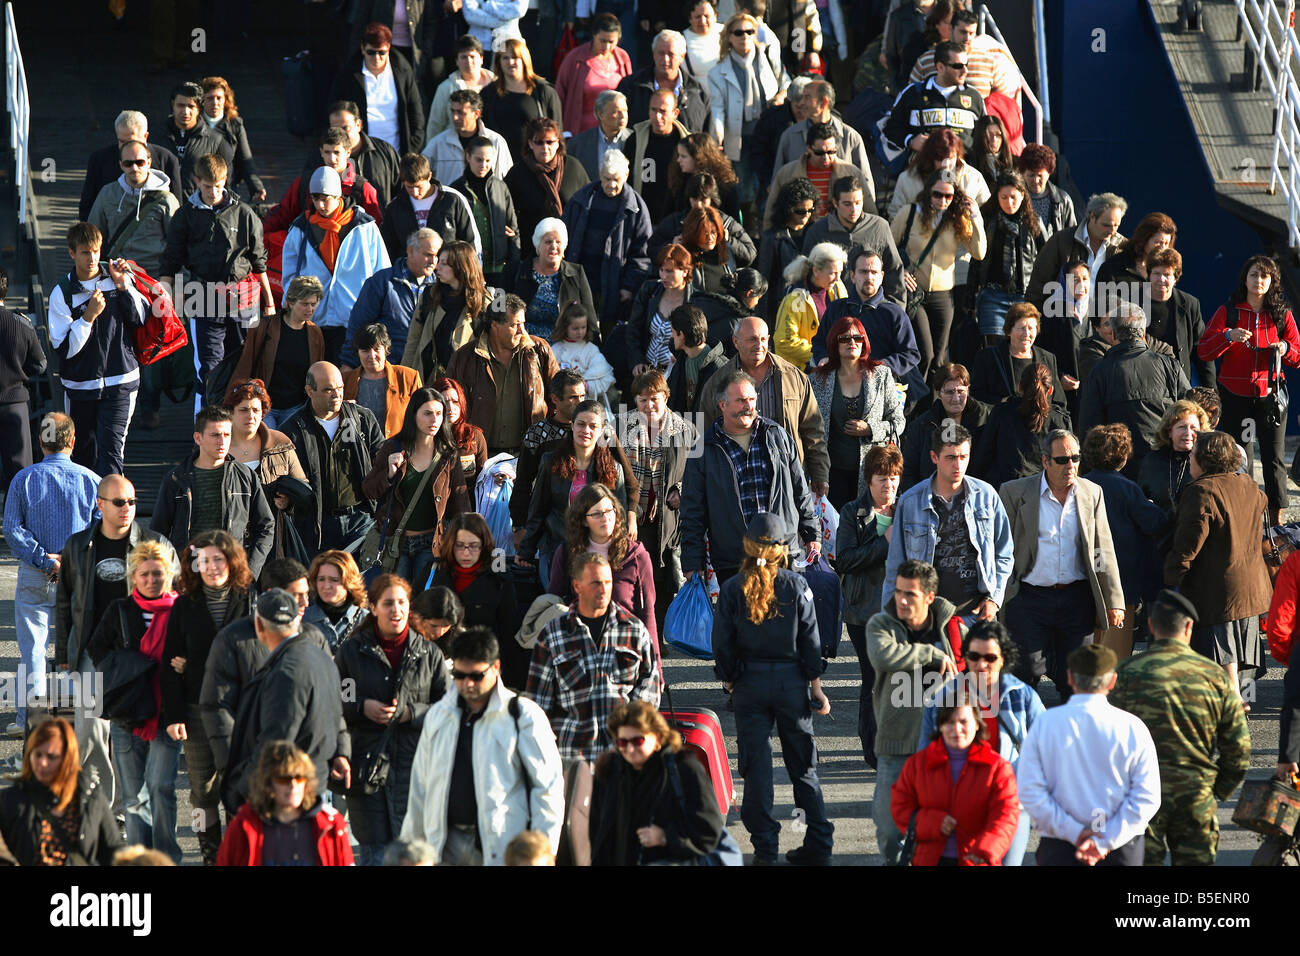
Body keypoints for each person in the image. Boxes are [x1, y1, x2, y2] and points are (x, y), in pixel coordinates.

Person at [707, 513, 831, 865]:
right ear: (781, 549)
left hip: (749, 685)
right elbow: (812, 642)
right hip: (792, 683)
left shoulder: (732, 588)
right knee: (803, 766)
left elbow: (722, 645)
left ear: (747, 546)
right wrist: (816, 688)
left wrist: (730, 679)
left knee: (757, 768)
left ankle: (766, 848)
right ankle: (818, 842)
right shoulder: (797, 586)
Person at [1109, 589, 1251, 865]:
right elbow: (1238, 747)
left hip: (1139, 796)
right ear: (1189, 627)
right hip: (1195, 795)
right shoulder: (1213, 677)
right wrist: (1216, 789)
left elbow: (1106, 738)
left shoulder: (1126, 673)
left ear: (1151, 626)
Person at [402, 627, 565, 865]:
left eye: (476, 676)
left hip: (503, 845)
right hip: (443, 843)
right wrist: (411, 848)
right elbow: (420, 787)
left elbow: (548, 791)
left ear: (496, 668)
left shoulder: (524, 716)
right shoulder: (438, 715)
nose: (467, 683)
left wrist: (542, 854)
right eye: (459, 675)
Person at [55, 473, 171, 805]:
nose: (127, 509)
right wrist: (64, 652)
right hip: (93, 650)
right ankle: (98, 808)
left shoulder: (154, 544)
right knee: (90, 733)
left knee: (133, 732)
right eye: (119, 502)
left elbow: (175, 599)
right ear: (100, 504)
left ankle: (127, 805)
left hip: (138, 653)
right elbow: (64, 601)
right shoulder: (78, 545)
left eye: (132, 502)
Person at [998, 429, 1124, 701]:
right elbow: (1001, 549)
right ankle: (1024, 738)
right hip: (1029, 597)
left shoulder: (1092, 493)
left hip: (1075, 598)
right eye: (1062, 460)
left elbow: (1103, 548)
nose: (1071, 465)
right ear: (1045, 461)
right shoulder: (1014, 492)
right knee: (1024, 671)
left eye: (1075, 458)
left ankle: (1071, 737)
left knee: (1077, 678)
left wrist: (1114, 600)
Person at [334, 574, 448, 865]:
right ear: (372, 607)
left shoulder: (429, 654)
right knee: (374, 854)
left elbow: (448, 710)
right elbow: (337, 702)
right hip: (366, 766)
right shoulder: (352, 651)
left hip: (415, 768)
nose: (395, 610)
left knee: (413, 854)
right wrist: (362, 707)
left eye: (401, 603)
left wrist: (412, 713)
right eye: (387, 603)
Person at [158, 529, 255, 864]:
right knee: (201, 792)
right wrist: (174, 717)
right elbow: (169, 665)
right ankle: (210, 854)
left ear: (232, 561)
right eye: (205, 560)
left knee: (240, 789)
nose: (212, 566)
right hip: (196, 710)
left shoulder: (251, 600)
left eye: (219, 559)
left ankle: (239, 853)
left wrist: (195, 662)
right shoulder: (185, 604)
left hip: (241, 711)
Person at [199, 562, 342, 787]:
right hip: (256, 773)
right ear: (270, 596)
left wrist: (341, 750)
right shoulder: (233, 640)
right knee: (205, 801)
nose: (305, 603)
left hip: (311, 774)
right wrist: (234, 765)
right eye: (296, 595)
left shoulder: (314, 638)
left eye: (306, 594)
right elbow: (217, 706)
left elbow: (331, 701)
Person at [85, 539, 183, 864]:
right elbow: (97, 649)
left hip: (168, 714)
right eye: (145, 575)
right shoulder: (121, 611)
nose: (151, 580)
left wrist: (187, 664)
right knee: (134, 796)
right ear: (134, 576)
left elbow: (199, 652)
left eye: (157, 574)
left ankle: (166, 856)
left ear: (167, 575)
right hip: (129, 714)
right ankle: (139, 861)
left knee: (160, 787)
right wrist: (126, 667)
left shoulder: (181, 611)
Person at [1018, 645, 1160, 867]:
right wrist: (1105, 840)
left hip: (1060, 845)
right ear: (1112, 681)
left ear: (1070, 678)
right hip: (1121, 846)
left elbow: (1029, 791)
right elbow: (1148, 797)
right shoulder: (1132, 727)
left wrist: (1075, 833)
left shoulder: (1046, 724)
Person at [4, 414, 101, 739]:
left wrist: (43, 558)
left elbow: (12, 529)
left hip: (36, 571)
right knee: (79, 644)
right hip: (78, 573)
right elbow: (101, 528)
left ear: (41, 442)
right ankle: (82, 716)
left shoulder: (24, 479)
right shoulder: (91, 479)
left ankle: (29, 717)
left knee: (33, 647)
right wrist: (71, 558)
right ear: (72, 442)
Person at [917, 620, 1045, 867]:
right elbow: (925, 759)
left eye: (990, 658)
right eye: (974, 657)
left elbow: (1046, 750)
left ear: (1004, 659)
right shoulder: (942, 698)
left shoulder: (1023, 696)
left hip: (1008, 805)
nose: (981, 665)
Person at [681, 370, 822, 584]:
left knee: (786, 617)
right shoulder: (703, 450)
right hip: (735, 562)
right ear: (722, 405)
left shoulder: (777, 435)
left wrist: (812, 535)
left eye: (751, 399)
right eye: (740, 401)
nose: (748, 406)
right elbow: (692, 511)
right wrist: (693, 562)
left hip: (783, 555)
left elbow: (799, 489)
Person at [866, 558, 965, 856]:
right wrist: (929, 654)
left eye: (910, 594)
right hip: (896, 741)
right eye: (898, 592)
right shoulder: (881, 624)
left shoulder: (951, 626)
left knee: (943, 828)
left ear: (930, 597)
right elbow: (885, 657)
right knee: (888, 828)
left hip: (942, 746)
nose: (902, 600)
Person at [1165, 431, 1272, 704]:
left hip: (1216, 588)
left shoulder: (1201, 491)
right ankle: (1238, 700)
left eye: (1192, 454)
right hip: (1251, 585)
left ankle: (1233, 702)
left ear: (1205, 458)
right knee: (1237, 653)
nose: (1189, 459)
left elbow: (1188, 545)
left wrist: (1172, 577)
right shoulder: (1249, 485)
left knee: (1221, 652)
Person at [526, 551, 661, 763]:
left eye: (608, 582)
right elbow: (538, 704)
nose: (604, 589)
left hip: (623, 757)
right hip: (572, 758)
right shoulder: (552, 635)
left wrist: (630, 730)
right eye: (595, 583)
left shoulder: (634, 630)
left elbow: (650, 688)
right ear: (577, 586)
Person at [224, 589, 351, 813]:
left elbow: (276, 744)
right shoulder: (322, 657)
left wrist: (241, 791)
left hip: (289, 794)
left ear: (259, 627)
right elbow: (336, 712)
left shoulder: (286, 672)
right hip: (314, 781)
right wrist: (341, 750)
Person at [1197, 254, 1300, 523]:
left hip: (1271, 397)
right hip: (1235, 397)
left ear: (1272, 281)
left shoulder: (1281, 313)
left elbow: (1298, 355)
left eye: (1264, 276)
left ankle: (1276, 519)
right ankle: (1243, 515)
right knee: (1238, 458)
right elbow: (1204, 350)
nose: (1258, 280)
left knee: (1274, 459)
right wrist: (1227, 336)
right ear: (1245, 278)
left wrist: (1285, 348)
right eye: (1254, 274)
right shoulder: (1229, 310)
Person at [160, 154, 274, 396]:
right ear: (198, 181)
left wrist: (270, 302)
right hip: (202, 296)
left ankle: (243, 427)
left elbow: (259, 261)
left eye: (218, 186)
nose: (213, 192)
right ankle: (210, 426)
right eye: (207, 186)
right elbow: (170, 261)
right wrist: (164, 298)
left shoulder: (244, 213)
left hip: (243, 297)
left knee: (245, 365)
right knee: (209, 369)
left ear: (226, 181)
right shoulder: (185, 215)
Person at [882, 426, 1013, 625]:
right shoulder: (911, 502)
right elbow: (896, 567)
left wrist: (994, 599)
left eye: (963, 457)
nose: (958, 465)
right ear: (934, 457)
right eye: (950, 457)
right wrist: (891, 623)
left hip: (978, 614)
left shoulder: (986, 497)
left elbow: (1004, 552)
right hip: (926, 618)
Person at [48, 223, 149, 477]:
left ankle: (111, 516)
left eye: (96, 251)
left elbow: (140, 318)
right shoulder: (62, 293)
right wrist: (87, 319)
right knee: (82, 455)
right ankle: (86, 513)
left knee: (113, 452)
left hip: (121, 381)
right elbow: (65, 350)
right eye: (85, 252)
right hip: (81, 387)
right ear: (71, 253)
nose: (92, 258)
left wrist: (125, 286)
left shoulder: (116, 278)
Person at [697, 317, 831, 491]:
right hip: (737, 483)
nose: (759, 345)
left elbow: (813, 430)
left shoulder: (794, 377)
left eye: (763, 339)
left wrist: (820, 475)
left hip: (787, 480)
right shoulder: (717, 383)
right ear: (736, 342)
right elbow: (704, 436)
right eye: (752, 339)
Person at [589, 700, 727, 865]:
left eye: (638, 741)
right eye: (622, 742)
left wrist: (665, 837)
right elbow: (597, 829)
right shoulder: (609, 770)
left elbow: (709, 831)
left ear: (658, 737)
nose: (630, 749)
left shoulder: (684, 768)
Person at [508, 369, 642, 534]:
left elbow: (627, 479)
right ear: (555, 399)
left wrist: (631, 515)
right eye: (573, 397)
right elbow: (522, 484)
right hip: (553, 530)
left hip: (599, 526)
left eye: (582, 396)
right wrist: (519, 526)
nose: (580, 402)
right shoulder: (537, 435)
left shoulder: (602, 431)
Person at [362, 387, 471, 588]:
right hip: (395, 543)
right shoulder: (393, 447)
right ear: (414, 415)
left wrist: (463, 540)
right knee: (396, 599)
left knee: (422, 603)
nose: (435, 420)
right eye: (427, 413)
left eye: (439, 414)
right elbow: (369, 490)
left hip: (431, 543)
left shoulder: (448, 454)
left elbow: (460, 502)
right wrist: (388, 474)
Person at [150, 406, 276, 580]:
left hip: (232, 573)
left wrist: (250, 570)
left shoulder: (245, 477)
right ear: (198, 438)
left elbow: (266, 526)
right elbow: (158, 533)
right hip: (188, 574)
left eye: (227, 435)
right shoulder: (175, 480)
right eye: (215, 435)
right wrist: (172, 572)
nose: (222, 442)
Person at [281, 166, 391, 364]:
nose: (321, 205)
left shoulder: (365, 227)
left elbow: (382, 273)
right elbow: (289, 276)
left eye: (326, 198)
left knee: (346, 382)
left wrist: (379, 314)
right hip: (313, 319)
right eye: (315, 199)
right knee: (314, 379)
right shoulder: (301, 227)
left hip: (354, 320)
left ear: (338, 195)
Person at [836, 443, 903, 766]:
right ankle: (872, 748)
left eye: (893, 478)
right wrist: (883, 543)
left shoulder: (907, 509)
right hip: (864, 611)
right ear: (868, 481)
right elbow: (845, 560)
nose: (888, 485)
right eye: (881, 479)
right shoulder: (853, 512)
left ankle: (897, 741)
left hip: (901, 610)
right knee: (873, 678)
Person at [892, 701, 1019, 865]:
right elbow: (900, 807)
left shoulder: (997, 768)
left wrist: (987, 848)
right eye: (950, 722)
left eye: (964, 721)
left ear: (977, 724)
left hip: (976, 860)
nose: (957, 729)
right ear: (940, 726)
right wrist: (932, 823)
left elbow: (1006, 816)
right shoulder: (917, 764)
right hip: (928, 859)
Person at [1082, 424, 1170, 660]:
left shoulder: (1080, 485)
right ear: (1123, 456)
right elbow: (1156, 524)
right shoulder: (1128, 488)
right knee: (1115, 651)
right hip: (1122, 582)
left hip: (1086, 577)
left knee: (1089, 643)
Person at [280, 362, 386, 554]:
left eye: (340, 388)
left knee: (360, 583)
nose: (337, 395)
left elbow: (382, 462)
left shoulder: (362, 419)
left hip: (360, 520)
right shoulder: (292, 431)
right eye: (328, 390)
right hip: (316, 528)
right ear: (310, 391)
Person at [617, 368, 698, 619]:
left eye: (655, 398)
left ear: (666, 396)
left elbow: (697, 472)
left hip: (666, 518)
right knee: (631, 576)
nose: (649, 405)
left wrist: (681, 490)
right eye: (643, 400)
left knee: (662, 580)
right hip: (631, 515)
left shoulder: (686, 430)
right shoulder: (620, 426)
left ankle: (658, 637)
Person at [519, 401, 628, 583]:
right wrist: (525, 552)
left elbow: (620, 518)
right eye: (581, 424)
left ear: (602, 431)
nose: (586, 430)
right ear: (572, 425)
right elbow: (537, 511)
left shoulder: (613, 469)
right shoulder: (551, 463)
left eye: (593, 426)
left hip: (598, 555)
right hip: (557, 549)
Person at [891, 167, 986, 374]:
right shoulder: (909, 213)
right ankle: (915, 405)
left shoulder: (957, 218)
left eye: (948, 196)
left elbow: (979, 253)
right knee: (925, 354)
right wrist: (900, 272)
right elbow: (887, 248)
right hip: (914, 291)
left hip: (943, 295)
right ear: (928, 192)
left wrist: (975, 216)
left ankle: (935, 404)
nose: (943, 200)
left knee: (940, 358)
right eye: (937, 194)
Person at [1079, 302, 1190, 479]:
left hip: (1120, 469)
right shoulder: (1169, 366)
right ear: (1143, 333)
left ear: (1114, 334)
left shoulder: (1099, 372)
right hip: (1166, 466)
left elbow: (1089, 426)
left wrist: (1088, 476)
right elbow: (1189, 411)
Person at [446, 294, 561, 456]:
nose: (522, 330)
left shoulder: (539, 351)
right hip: (481, 455)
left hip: (529, 454)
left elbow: (559, 397)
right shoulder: (464, 358)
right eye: (516, 324)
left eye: (523, 323)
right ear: (494, 325)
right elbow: (450, 404)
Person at [0, 717, 122, 866]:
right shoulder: (12, 799)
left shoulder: (90, 796)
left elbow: (112, 850)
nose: (42, 763)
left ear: (67, 759)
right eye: (37, 755)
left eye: (52, 757)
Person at [810, 317, 904, 509]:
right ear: (834, 343)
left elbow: (898, 421)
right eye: (844, 338)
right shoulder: (817, 379)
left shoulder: (881, 374)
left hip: (873, 471)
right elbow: (809, 427)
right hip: (831, 472)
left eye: (858, 337)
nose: (852, 342)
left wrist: (870, 428)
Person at [548, 482, 657, 644]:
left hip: (625, 650)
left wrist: (654, 665)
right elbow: (553, 604)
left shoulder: (636, 555)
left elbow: (648, 613)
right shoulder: (566, 553)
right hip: (580, 650)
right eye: (597, 514)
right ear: (583, 521)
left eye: (609, 511)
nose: (605, 518)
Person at [217, 740, 355, 866]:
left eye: (299, 778)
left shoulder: (331, 824)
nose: (293, 785)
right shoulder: (244, 824)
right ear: (268, 783)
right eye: (284, 779)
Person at [222, 379, 310, 572]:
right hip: (230, 541)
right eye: (243, 410)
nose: (251, 416)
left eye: (256, 410)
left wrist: (288, 500)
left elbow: (304, 488)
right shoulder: (218, 447)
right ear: (230, 412)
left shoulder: (280, 443)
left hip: (274, 540)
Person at [563, 149, 653, 331]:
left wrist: (629, 286)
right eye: (606, 178)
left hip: (615, 286)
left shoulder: (636, 208)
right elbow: (565, 236)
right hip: (582, 281)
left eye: (616, 179)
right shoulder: (581, 199)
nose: (611, 184)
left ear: (626, 175)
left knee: (609, 334)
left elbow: (643, 253)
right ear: (599, 173)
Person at [706, 11, 790, 206]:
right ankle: (749, 230)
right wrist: (717, 135)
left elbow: (786, 82)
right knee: (744, 189)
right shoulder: (717, 73)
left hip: (769, 133)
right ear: (729, 36)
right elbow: (718, 109)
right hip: (740, 138)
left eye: (749, 32)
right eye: (738, 32)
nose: (744, 36)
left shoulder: (768, 56)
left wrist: (780, 96)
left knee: (770, 184)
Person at [427, 513, 522, 676]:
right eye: (459, 545)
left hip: (483, 667)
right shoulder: (433, 572)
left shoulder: (499, 580)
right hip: (438, 667)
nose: (466, 553)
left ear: (484, 545)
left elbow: (509, 634)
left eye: (473, 545)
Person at [225, 276, 326, 427]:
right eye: (304, 304)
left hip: (296, 407)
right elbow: (246, 365)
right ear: (291, 303)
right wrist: (232, 402)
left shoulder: (315, 333)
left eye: (313, 304)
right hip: (265, 407)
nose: (310, 309)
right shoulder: (265, 327)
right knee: (267, 446)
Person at [815, 248, 920, 379]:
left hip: (882, 385)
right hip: (841, 383)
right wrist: (823, 357)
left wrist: (881, 366)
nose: (869, 277)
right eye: (863, 272)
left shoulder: (894, 313)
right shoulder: (836, 309)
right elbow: (819, 343)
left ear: (881, 277)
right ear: (852, 276)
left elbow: (910, 354)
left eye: (874, 272)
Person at [344, 227, 441, 367]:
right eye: (428, 254)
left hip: (424, 368)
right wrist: (349, 363)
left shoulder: (439, 287)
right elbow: (358, 326)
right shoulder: (381, 282)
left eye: (436, 255)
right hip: (386, 367)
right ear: (410, 251)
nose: (433, 261)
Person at [800, 175, 905, 302]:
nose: (854, 209)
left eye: (858, 203)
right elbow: (806, 276)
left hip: (872, 308)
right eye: (847, 204)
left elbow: (894, 271)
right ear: (835, 202)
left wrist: (895, 309)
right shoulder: (817, 231)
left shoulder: (879, 227)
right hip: (831, 309)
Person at [263, 127, 384, 237]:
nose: (332, 158)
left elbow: (375, 231)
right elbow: (282, 215)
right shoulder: (305, 183)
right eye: (327, 152)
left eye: (336, 152)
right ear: (321, 152)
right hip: (311, 253)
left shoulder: (362, 189)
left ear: (348, 152)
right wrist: (257, 235)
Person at [969, 171, 1044, 347]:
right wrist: (969, 297)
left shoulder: (1033, 222)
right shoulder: (988, 219)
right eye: (1003, 197)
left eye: (1013, 197)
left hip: (1023, 295)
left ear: (1023, 195)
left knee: (1022, 347)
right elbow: (977, 259)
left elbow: (1046, 257)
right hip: (992, 294)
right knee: (995, 349)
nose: (1009, 203)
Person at [330, 22, 427, 156]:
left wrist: (412, 149)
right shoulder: (348, 75)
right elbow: (336, 113)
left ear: (388, 48)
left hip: (398, 153)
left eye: (381, 52)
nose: (376, 58)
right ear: (363, 49)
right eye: (371, 52)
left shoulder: (403, 71)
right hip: (361, 153)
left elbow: (416, 113)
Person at [87, 139, 179, 278]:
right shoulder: (107, 194)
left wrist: (175, 283)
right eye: (128, 163)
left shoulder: (166, 200)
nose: (134, 168)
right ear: (121, 165)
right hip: (117, 274)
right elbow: (92, 236)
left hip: (154, 277)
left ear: (149, 162)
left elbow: (178, 245)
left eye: (139, 162)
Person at [401, 240, 492, 381]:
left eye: (444, 263)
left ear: (461, 267)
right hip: (427, 380)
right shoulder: (430, 295)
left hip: (464, 384)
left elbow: (491, 350)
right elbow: (413, 340)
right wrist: (404, 377)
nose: (437, 267)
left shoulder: (483, 303)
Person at [970, 362, 1071, 488]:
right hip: (1045, 490)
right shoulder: (1060, 419)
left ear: (1020, 387)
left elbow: (984, 455)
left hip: (1006, 489)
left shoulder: (1002, 412)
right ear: (1050, 390)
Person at [505, 119, 593, 262]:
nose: (545, 148)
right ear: (530, 144)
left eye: (550, 142)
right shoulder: (518, 173)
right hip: (530, 252)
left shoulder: (573, 168)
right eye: (539, 142)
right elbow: (505, 208)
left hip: (569, 251)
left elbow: (589, 204)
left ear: (558, 143)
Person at [1026, 192, 1128, 313]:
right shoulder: (1062, 240)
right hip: (1064, 320)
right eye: (1106, 225)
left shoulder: (1123, 247)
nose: (1112, 231)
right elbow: (1038, 285)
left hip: (1105, 323)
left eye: (1116, 225)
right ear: (1092, 217)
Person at [883, 40, 986, 158]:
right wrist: (910, 141)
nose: (965, 71)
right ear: (940, 67)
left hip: (963, 169)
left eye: (966, 65)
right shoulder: (913, 93)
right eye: (958, 66)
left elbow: (985, 134)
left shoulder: (974, 97)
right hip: (922, 169)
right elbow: (890, 127)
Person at [78, 109, 184, 221]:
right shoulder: (100, 160)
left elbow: (176, 210)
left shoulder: (166, 160)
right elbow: (88, 206)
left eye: (132, 141)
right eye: (122, 142)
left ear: (145, 137)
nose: (126, 148)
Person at [501, 219, 597, 340]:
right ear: (538, 246)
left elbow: (590, 319)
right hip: (524, 344)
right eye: (548, 242)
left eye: (558, 242)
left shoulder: (576, 273)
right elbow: (498, 314)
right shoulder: (515, 271)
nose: (554, 246)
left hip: (565, 348)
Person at [900, 362, 990, 491]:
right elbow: (908, 472)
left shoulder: (986, 419)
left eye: (961, 391)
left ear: (968, 390)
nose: (956, 398)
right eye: (949, 392)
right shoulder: (921, 426)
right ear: (939, 393)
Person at [377, 154, 478, 262]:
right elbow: (387, 246)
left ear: (429, 176)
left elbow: (469, 240)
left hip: (447, 271)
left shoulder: (452, 200)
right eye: (409, 187)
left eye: (419, 186)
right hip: (408, 273)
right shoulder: (395, 207)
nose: (415, 192)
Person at [969, 302, 1066, 412]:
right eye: (1021, 328)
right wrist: (1002, 401)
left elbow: (1059, 402)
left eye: (1031, 328)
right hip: (1003, 423)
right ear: (1009, 331)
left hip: (1040, 425)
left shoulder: (1048, 358)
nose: (1026, 333)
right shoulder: (988, 357)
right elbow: (976, 396)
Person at [764, 123, 860, 232]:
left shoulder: (851, 172)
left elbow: (869, 210)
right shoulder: (787, 173)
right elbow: (771, 213)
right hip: (799, 236)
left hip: (840, 232)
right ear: (808, 148)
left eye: (831, 152)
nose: (826, 158)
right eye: (819, 152)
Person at [451, 135, 521, 285]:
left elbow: (514, 229)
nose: (484, 165)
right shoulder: (456, 190)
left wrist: (513, 263)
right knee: (473, 308)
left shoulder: (500, 187)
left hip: (499, 270)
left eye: (488, 160)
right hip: (469, 269)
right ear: (468, 157)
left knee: (499, 307)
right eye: (479, 159)